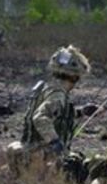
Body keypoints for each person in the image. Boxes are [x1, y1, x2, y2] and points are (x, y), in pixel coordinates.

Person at [7, 45, 90, 174]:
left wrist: (81, 112)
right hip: (41, 154)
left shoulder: (48, 88)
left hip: (31, 147)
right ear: (74, 77)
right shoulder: (58, 94)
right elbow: (40, 117)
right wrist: (55, 142)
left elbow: (56, 114)